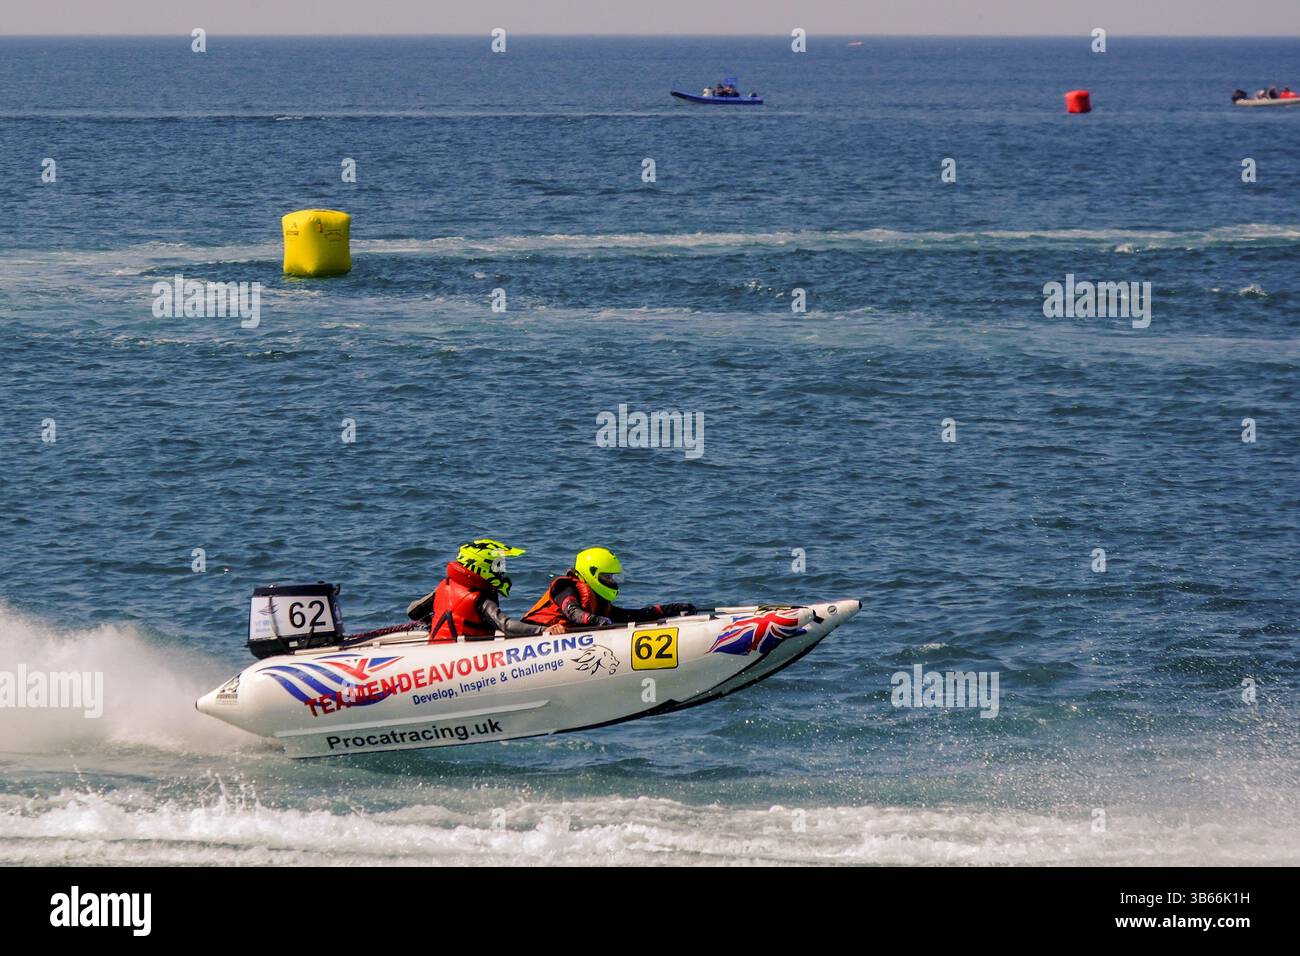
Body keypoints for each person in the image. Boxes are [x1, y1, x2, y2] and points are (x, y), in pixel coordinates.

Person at [522, 547, 695, 632]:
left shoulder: (598, 604)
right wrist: (596, 620)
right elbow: (572, 611)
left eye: (612, 577)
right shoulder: (565, 586)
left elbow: (631, 615)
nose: (611, 581)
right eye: (607, 577)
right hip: (528, 638)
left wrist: (670, 609)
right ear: (592, 573)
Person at [407, 539, 545, 643]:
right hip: (462, 659)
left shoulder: (443, 586)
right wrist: (544, 631)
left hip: (437, 650)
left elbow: (412, 611)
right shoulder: (479, 599)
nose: (502, 571)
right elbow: (506, 626)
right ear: (480, 566)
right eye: (498, 566)